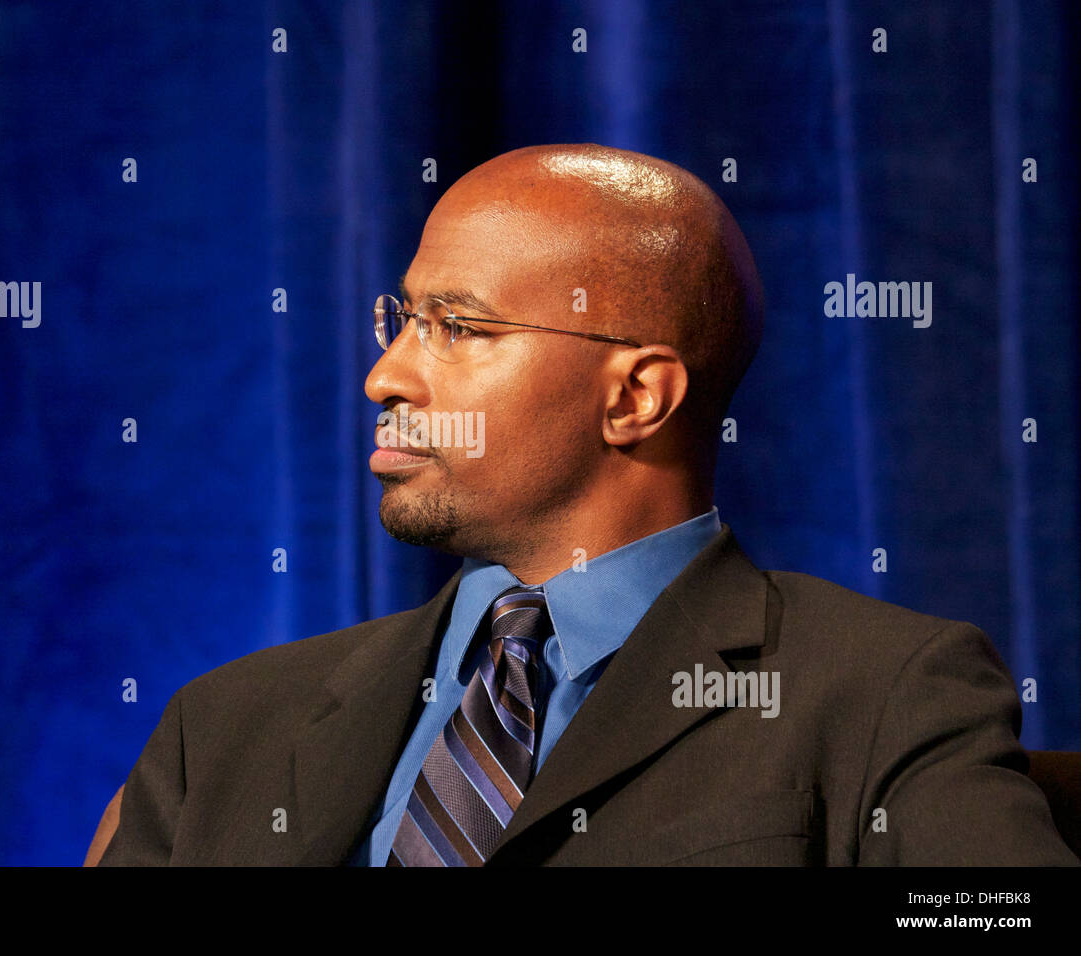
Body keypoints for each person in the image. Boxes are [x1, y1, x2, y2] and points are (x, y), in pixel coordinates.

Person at [90, 143, 1078, 866]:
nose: (385, 374)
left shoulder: (883, 691)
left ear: (634, 396)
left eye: (459, 326)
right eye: (403, 319)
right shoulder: (221, 725)